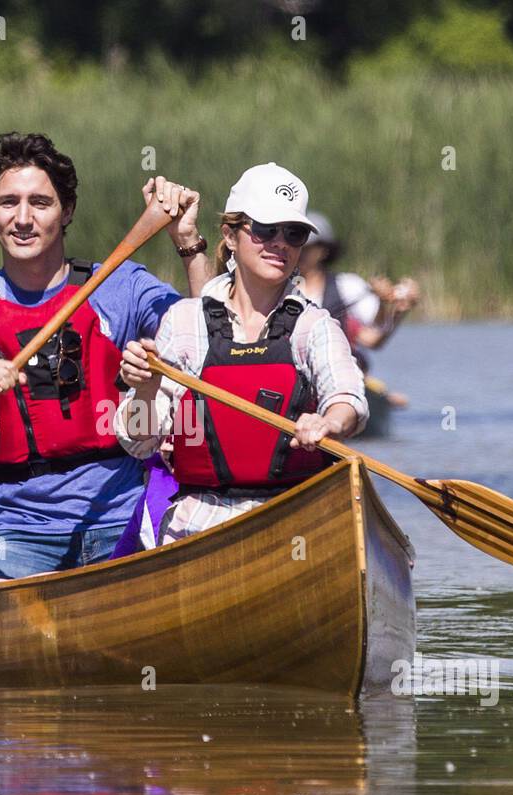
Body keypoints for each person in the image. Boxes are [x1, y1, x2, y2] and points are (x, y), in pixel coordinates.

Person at [0, 132, 212, 580]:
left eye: (40, 202)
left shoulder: (120, 286)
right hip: (17, 530)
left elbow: (210, 340)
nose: (22, 219)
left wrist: (188, 243)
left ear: (67, 210)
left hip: (122, 517)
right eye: (8, 202)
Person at [116, 163, 368, 546]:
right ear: (230, 236)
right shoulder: (185, 322)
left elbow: (349, 399)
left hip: (296, 523)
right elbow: (138, 441)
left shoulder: (314, 326)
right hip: (197, 527)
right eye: (265, 230)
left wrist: (329, 423)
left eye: (294, 233)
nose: (280, 243)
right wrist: (147, 391)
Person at [298, 211, 418, 371]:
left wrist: (394, 311)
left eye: (307, 247)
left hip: (335, 373)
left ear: (323, 250)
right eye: (296, 244)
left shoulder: (347, 286)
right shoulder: (278, 287)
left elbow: (373, 336)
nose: (300, 253)